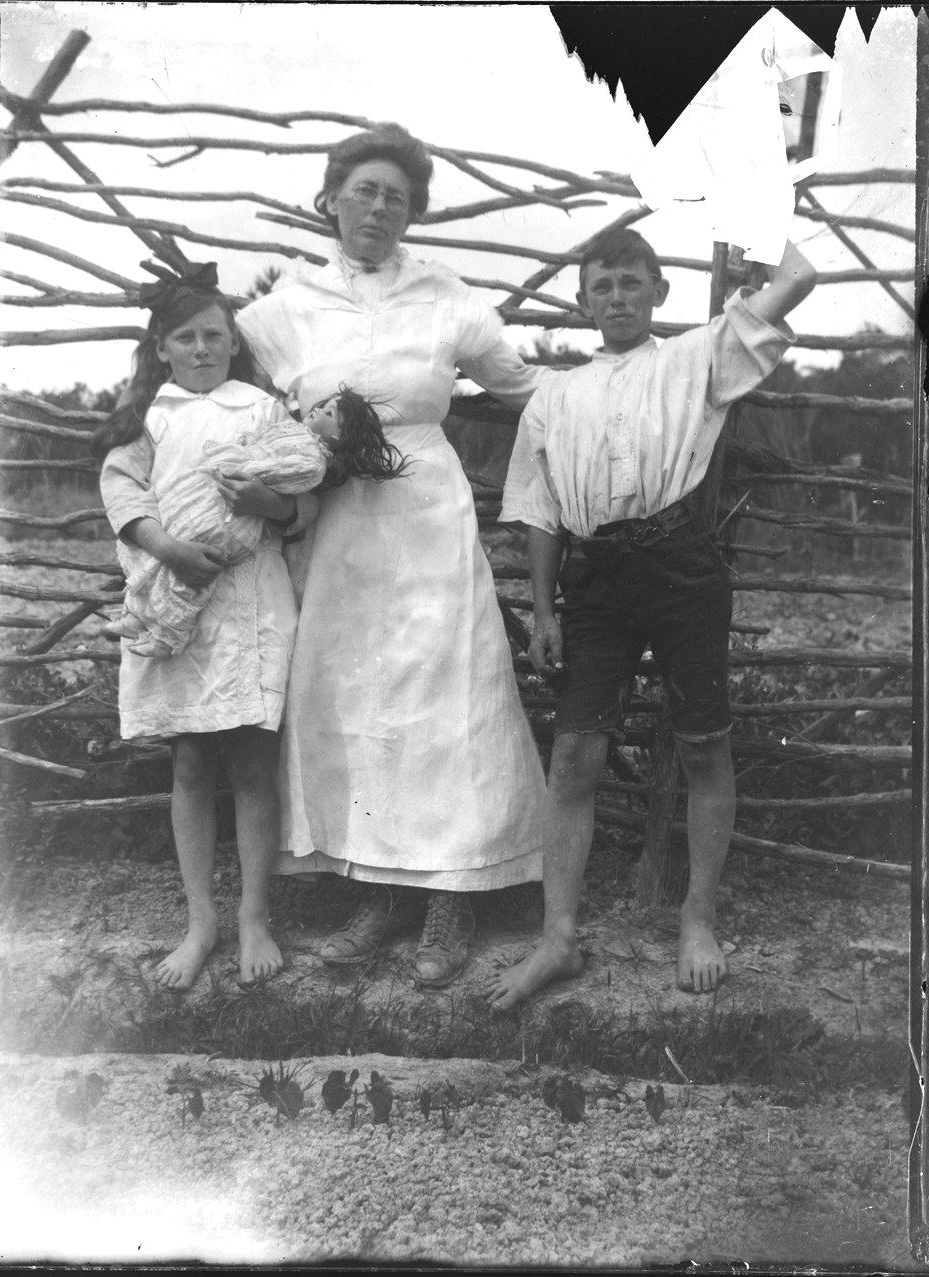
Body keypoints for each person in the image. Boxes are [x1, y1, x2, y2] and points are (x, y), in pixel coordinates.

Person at [236, 122, 551, 988]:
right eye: (365, 190)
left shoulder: (449, 299)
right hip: (338, 525)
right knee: (355, 697)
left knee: (447, 695)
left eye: (397, 197)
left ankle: (450, 897)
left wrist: (633, 390)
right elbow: (232, 408)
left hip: (426, 515)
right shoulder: (280, 310)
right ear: (331, 197)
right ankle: (377, 892)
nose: (379, 207)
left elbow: (530, 392)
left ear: (414, 212)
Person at [490, 225, 817, 1010]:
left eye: (631, 282)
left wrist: (757, 193)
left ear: (658, 291)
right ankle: (559, 936)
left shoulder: (696, 357)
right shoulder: (554, 396)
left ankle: (696, 917)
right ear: (582, 301)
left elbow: (799, 272)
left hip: (681, 566)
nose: (616, 298)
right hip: (595, 580)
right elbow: (538, 515)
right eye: (601, 285)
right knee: (573, 758)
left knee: (704, 744)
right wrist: (544, 610)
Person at [96, 266, 341, 990]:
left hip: (251, 601)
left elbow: (305, 500)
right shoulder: (147, 417)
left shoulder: (263, 411)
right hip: (179, 594)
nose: (202, 348)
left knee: (252, 763)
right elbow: (120, 492)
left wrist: (270, 501)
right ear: (162, 346)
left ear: (235, 343)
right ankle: (201, 916)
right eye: (186, 337)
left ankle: (254, 913)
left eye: (214, 335)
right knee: (192, 763)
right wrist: (169, 548)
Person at [104, 387, 403, 657]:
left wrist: (246, 467)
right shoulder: (291, 431)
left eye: (329, 413)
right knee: (172, 533)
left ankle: (170, 632)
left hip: (235, 516)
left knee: (193, 563)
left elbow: (279, 472)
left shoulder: (311, 460)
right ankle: (138, 612)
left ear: (339, 437)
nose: (317, 409)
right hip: (215, 492)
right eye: (324, 404)